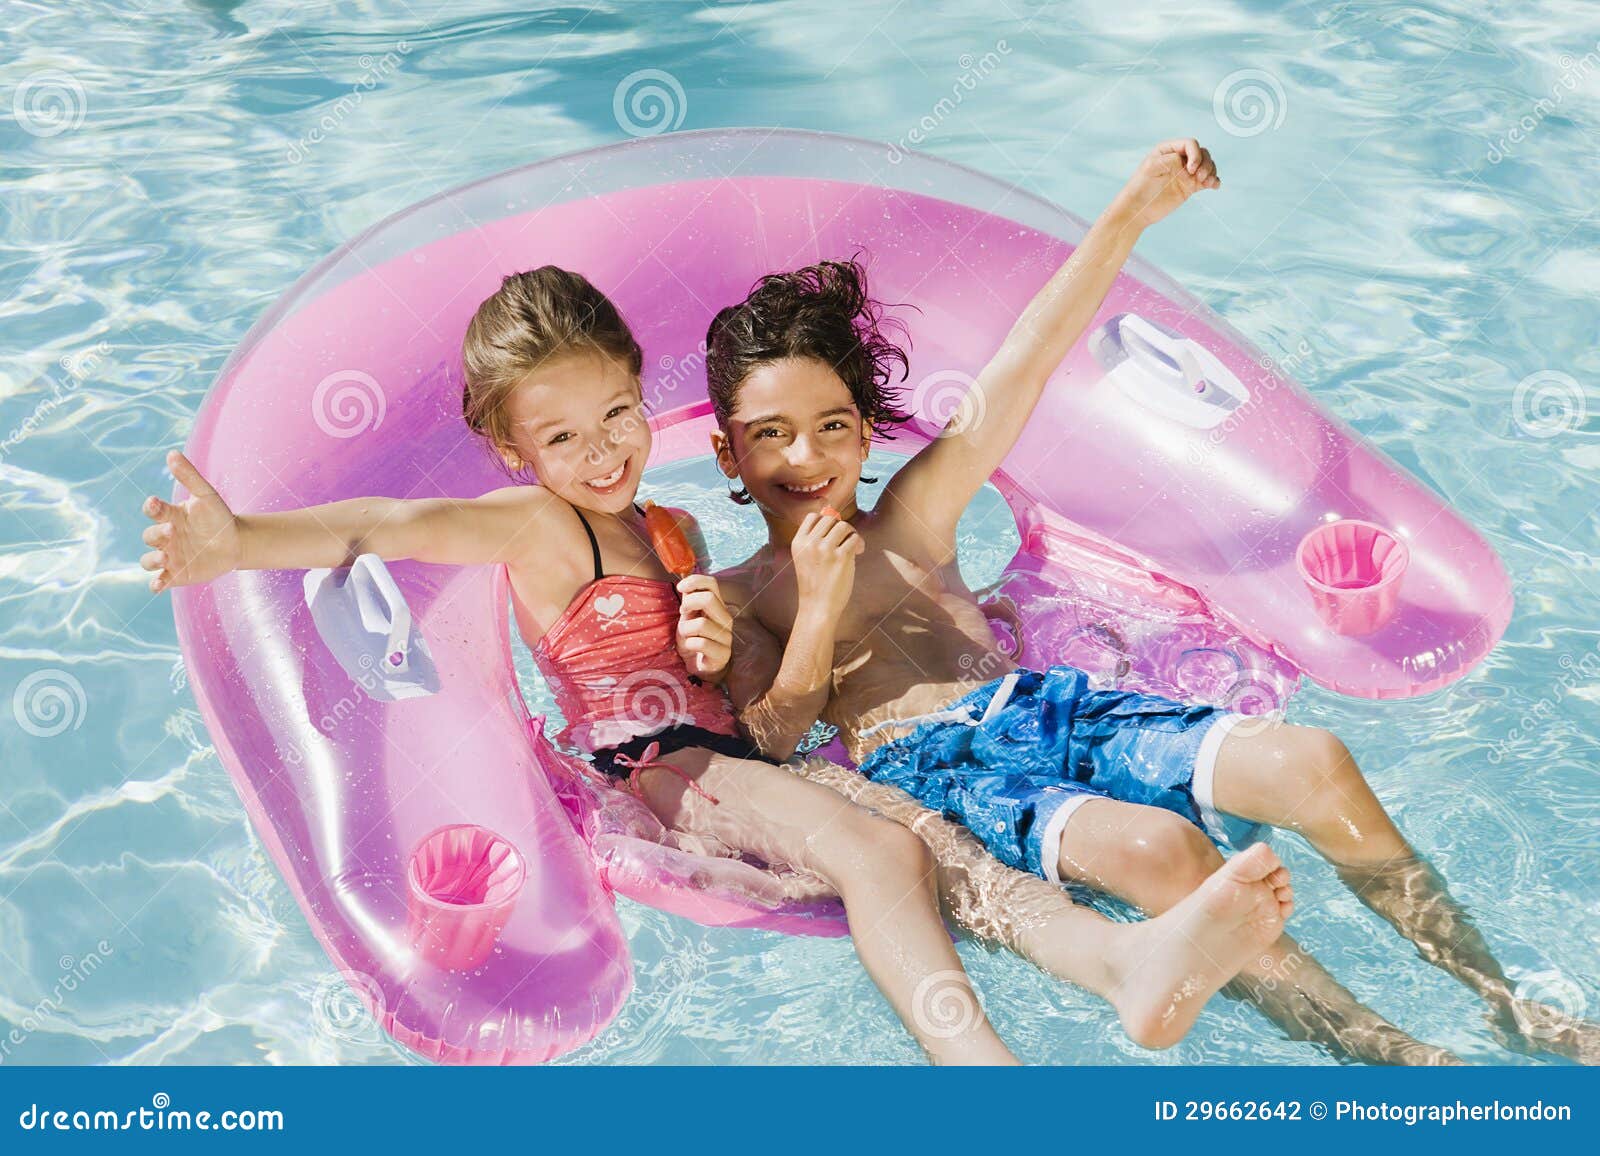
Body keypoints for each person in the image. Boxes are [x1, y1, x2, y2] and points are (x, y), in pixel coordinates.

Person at [139, 264, 1294, 1065]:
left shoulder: (673, 537)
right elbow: (394, 523)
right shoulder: (538, 527)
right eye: (560, 438)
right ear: (511, 450)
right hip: (666, 765)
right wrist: (238, 543)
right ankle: (978, 1068)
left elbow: (764, 709)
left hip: (739, 755)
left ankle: (1122, 965)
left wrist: (723, 647)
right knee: (881, 851)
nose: (599, 452)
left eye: (614, 414)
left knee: (939, 852)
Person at [707, 138, 1595, 1065]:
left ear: (865, 431)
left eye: (831, 428)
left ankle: (1506, 1006)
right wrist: (817, 606)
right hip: (941, 770)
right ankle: (1391, 1054)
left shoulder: (913, 518)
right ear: (729, 454)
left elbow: (1026, 361)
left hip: (1047, 709)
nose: (805, 458)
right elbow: (772, 737)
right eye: (771, 436)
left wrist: (1130, 211)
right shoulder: (739, 597)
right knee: (1162, 851)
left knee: (1316, 762)